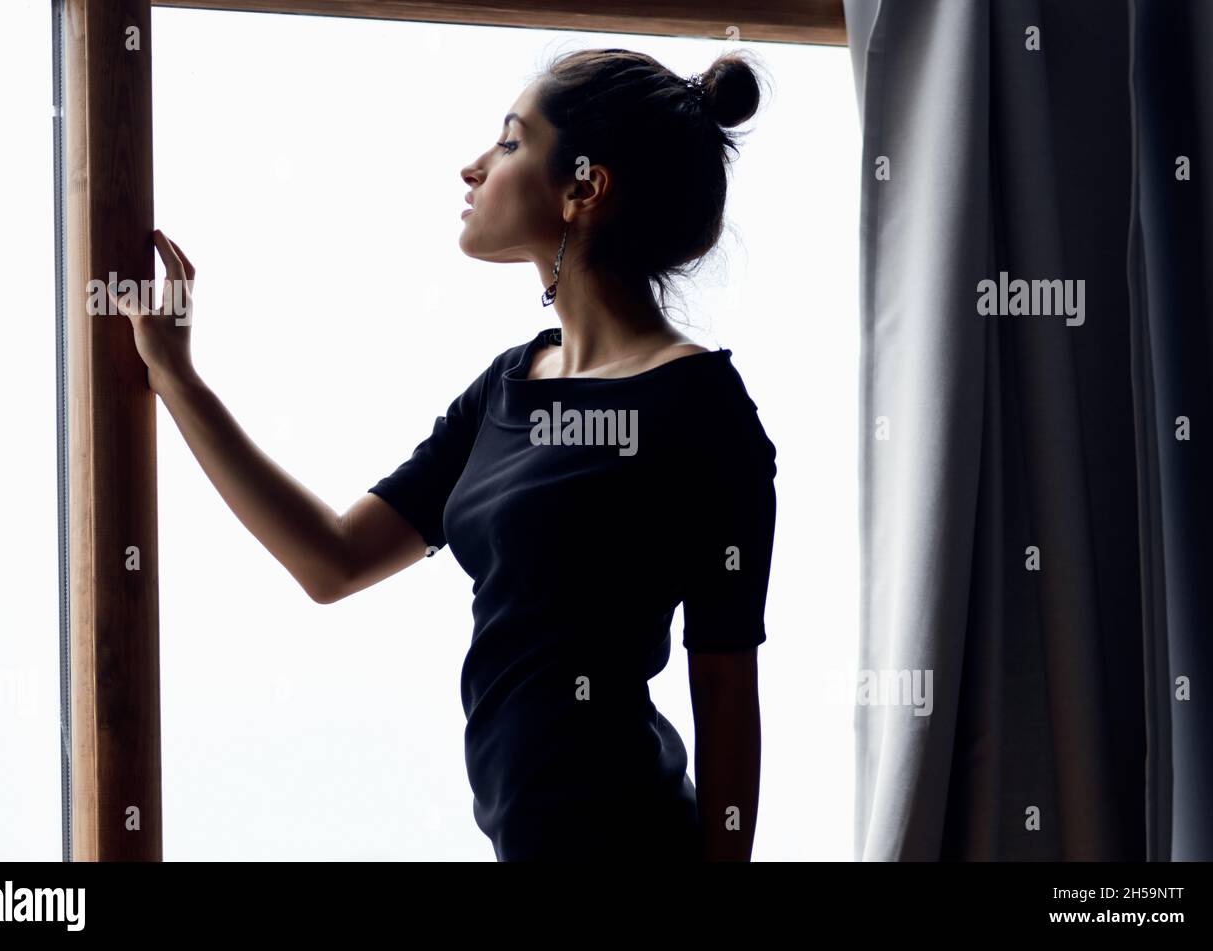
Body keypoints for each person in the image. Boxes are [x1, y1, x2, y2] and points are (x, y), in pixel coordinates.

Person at [118, 47, 777, 862]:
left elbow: (725, 689)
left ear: (583, 187)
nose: (473, 168)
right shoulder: (506, 386)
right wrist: (178, 378)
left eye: (508, 143)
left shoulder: (703, 410)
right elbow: (331, 559)